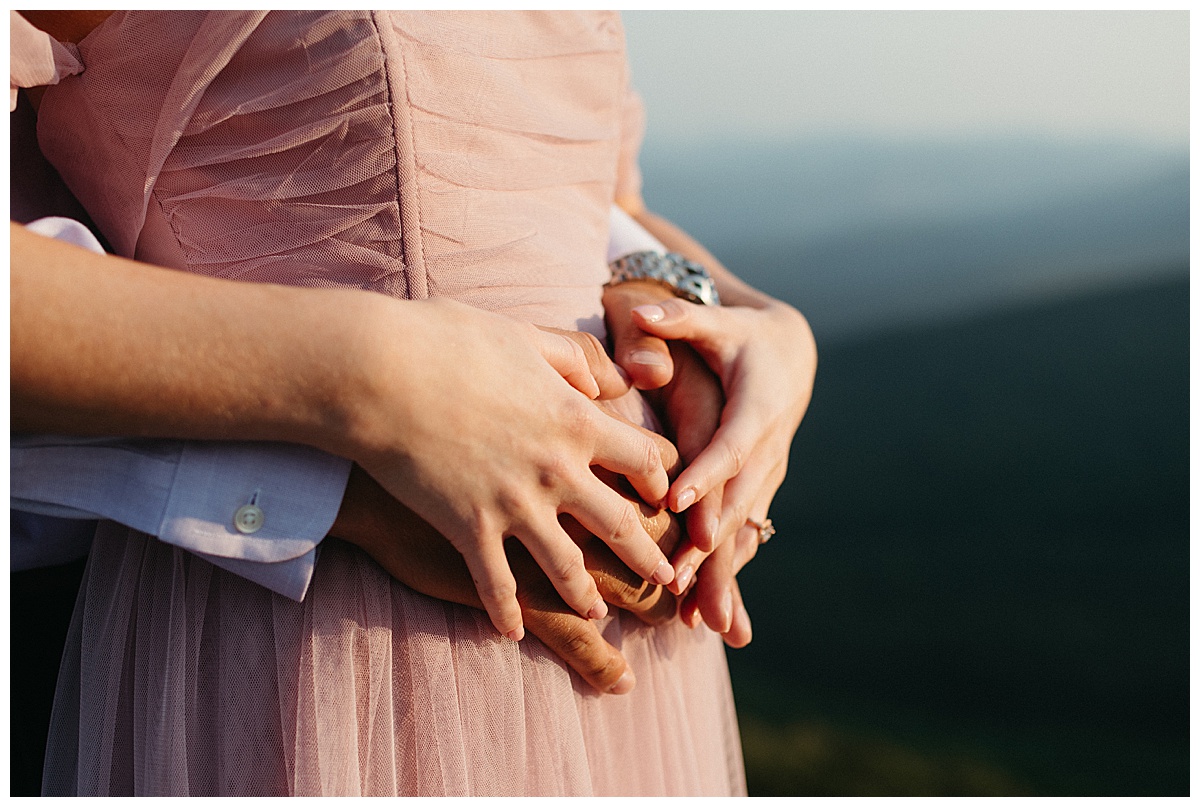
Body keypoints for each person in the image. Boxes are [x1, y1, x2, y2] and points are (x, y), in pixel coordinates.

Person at [18, 11, 816, 795]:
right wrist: (372, 381)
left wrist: (740, 315)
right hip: (329, 650)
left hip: (642, 678)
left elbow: (599, 195)